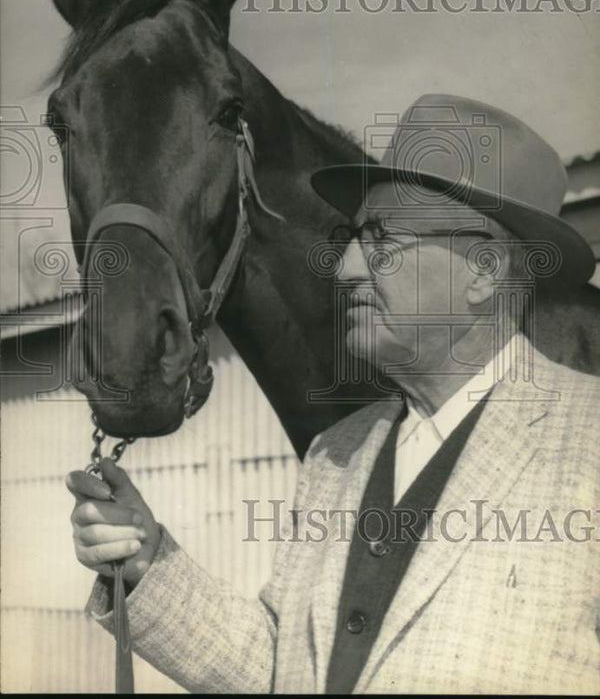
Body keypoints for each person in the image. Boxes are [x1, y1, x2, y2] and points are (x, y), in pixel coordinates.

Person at [67, 94, 600, 693]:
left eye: (381, 238)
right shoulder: (334, 454)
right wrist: (146, 559)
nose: (346, 265)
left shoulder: (588, 443)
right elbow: (281, 670)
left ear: (482, 269)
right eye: (352, 235)